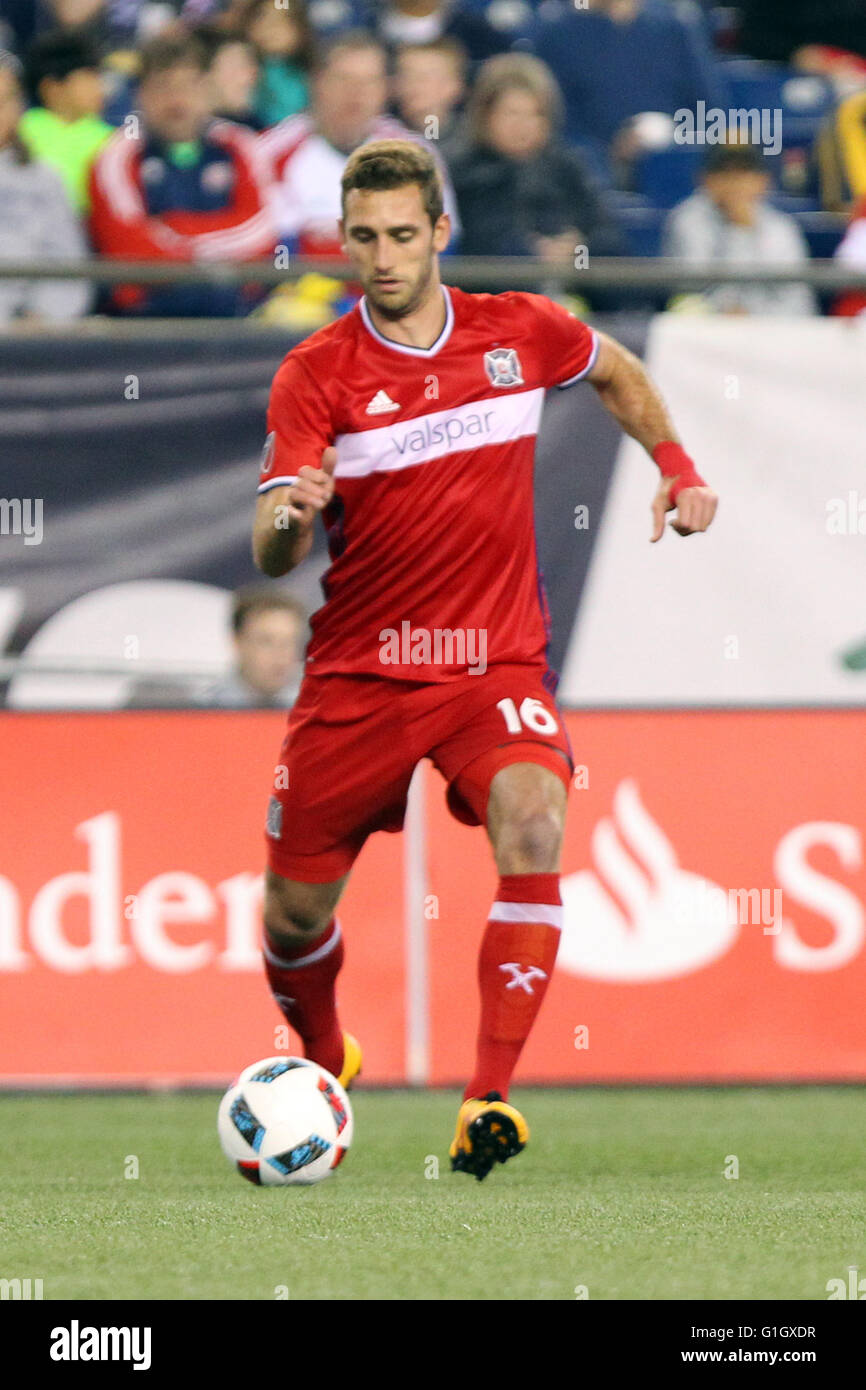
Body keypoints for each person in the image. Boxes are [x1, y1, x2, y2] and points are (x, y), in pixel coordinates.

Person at [251, 139, 718, 1180]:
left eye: (402, 235)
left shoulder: (517, 330)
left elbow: (618, 368)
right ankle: (327, 1058)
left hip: (490, 667)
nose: (382, 256)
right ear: (341, 238)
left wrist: (675, 466)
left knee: (535, 818)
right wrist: (292, 515)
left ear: (439, 234)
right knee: (291, 913)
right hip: (359, 675)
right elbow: (271, 542)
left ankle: (486, 1096)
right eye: (363, 237)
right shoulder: (314, 372)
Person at [89, 33, 277, 316]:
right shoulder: (116, 156)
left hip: (238, 311)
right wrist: (218, 258)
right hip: (145, 318)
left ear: (206, 89)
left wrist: (170, 230)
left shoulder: (241, 145)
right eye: (163, 87)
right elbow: (127, 249)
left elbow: (263, 233)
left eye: (188, 86)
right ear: (140, 94)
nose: (176, 100)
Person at [260, 30, 458, 257]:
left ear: (385, 90)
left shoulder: (416, 155)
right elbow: (270, 250)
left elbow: (443, 247)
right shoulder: (269, 152)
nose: (357, 93)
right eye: (344, 79)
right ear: (317, 82)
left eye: (370, 81)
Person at [449, 52, 624, 260]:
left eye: (535, 114)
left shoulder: (567, 167)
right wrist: (532, 253)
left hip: (575, 284)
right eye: (511, 113)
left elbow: (607, 235)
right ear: (485, 116)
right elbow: (479, 243)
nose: (523, 126)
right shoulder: (463, 174)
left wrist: (578, 246)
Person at [662, 144, 817, 316]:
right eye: (725, 173)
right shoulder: (688, 220)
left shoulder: (781, 228)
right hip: (707, 330)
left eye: (744, 173)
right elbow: (690, 287)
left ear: (763, 181)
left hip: (769, 330)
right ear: (705, 179)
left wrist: (755, 317)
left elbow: (799, 302)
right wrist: (738, 231)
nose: (735, 183)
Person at [0, 49, 91, 323]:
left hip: (24, 336)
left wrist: (42, 315)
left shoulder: (45, 179)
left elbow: (68, 266)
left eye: (3, 101)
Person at [18, 29, 112, 212]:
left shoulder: (111, 140)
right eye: (88, 79)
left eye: (99, 78)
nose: (100, 88)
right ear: (51, 88)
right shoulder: (22, 129)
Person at [197, 588, 306, 708]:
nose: (281, 654)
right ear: (237, 642)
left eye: (289, 642)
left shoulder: (314, 710)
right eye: (266, 641)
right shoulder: (199, 711)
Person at [238, 0, 314, 128]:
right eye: (262, 17)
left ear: (301, 29)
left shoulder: (312, 75)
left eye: (283, 20)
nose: (271, 27)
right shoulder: (241, 69)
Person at [392, 37, 467, 160]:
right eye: (406, 75)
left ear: (454, 85)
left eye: (424, 77)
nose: (413, 85)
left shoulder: (475, 144)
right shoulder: (379, 138)